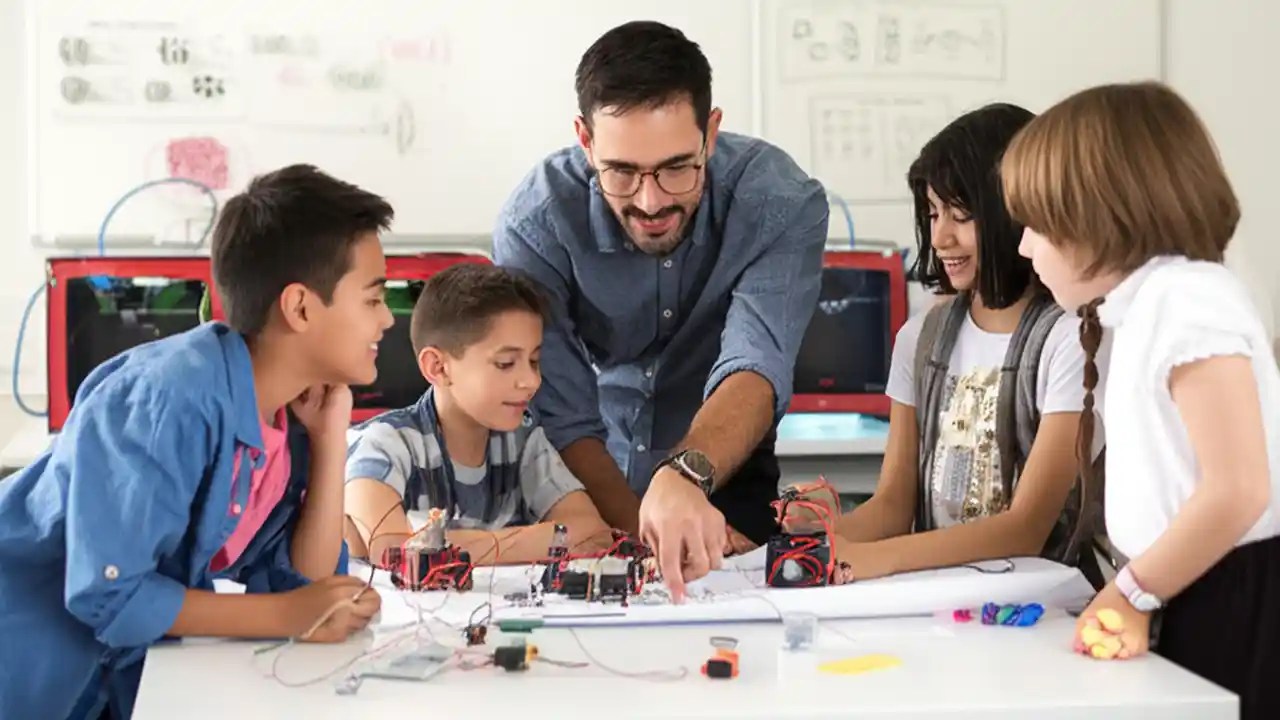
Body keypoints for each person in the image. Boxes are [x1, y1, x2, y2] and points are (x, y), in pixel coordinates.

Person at [0, 164, 389, 719]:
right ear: (300, 307)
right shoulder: (168, 399)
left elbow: (310, 585)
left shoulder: (287, 417)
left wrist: (330, 443)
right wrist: (285, 615)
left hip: (120, 674)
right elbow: (110, 595)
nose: (387, 322)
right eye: (373, 299)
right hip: (27, 665)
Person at [493, 20, 828, 600]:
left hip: (724, 463)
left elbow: (757, 363)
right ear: (585, 140)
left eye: (678, 168)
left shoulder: (778, 202)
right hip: (589, 474)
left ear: (711, 133)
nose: (651, 202)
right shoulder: (535, 222)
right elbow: (563, 412)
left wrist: (684, 476)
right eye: (621, 172)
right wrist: (640, 538)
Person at [1002, 81, 1280, 718]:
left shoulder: (1186, 299)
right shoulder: (1154, 305)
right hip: (1188, 584)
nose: (1023, 247)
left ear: (1100, 218)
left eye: (1037, 226)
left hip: (1223, 592)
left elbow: (1239, 489)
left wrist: (1131, 592)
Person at [819, 104, 1102, 585]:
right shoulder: (920, 338)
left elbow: (1026, 528)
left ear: (1014, 213)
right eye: (932, 213)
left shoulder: (1068, 339)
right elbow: (892, 505)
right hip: (937, 606)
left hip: (1042, 610)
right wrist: (820, 537)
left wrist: (882, 558)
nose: (941, 236)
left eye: (961, 214)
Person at [343, 263, 613, 565]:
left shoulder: (523, 441)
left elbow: (593, 534)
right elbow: (394, 552)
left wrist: (445, 543)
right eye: (505, 363)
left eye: (534, 361)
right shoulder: (382, 444)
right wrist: (545, 539)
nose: (531, 381)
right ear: (438, 367)